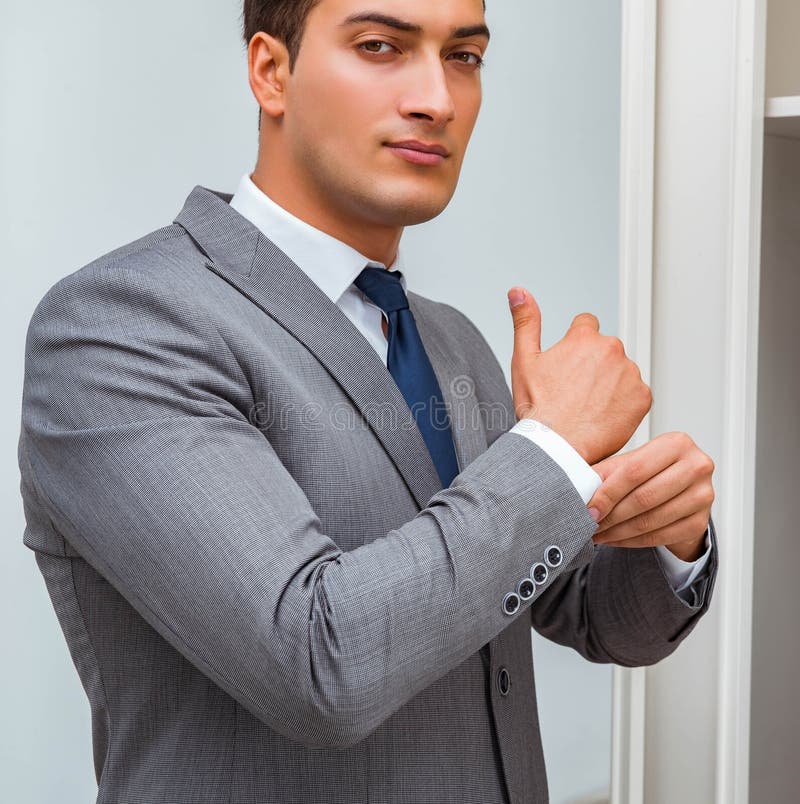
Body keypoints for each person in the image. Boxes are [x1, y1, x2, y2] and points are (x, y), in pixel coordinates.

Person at [18, 1, 717, 802]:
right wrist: (553, 450)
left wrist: (672, 537)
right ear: (270, 71)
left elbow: (584, 613)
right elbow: (317, 662)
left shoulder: (453, 343)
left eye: (464, 57)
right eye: (381, 46)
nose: (438, 100)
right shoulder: (119, 327)